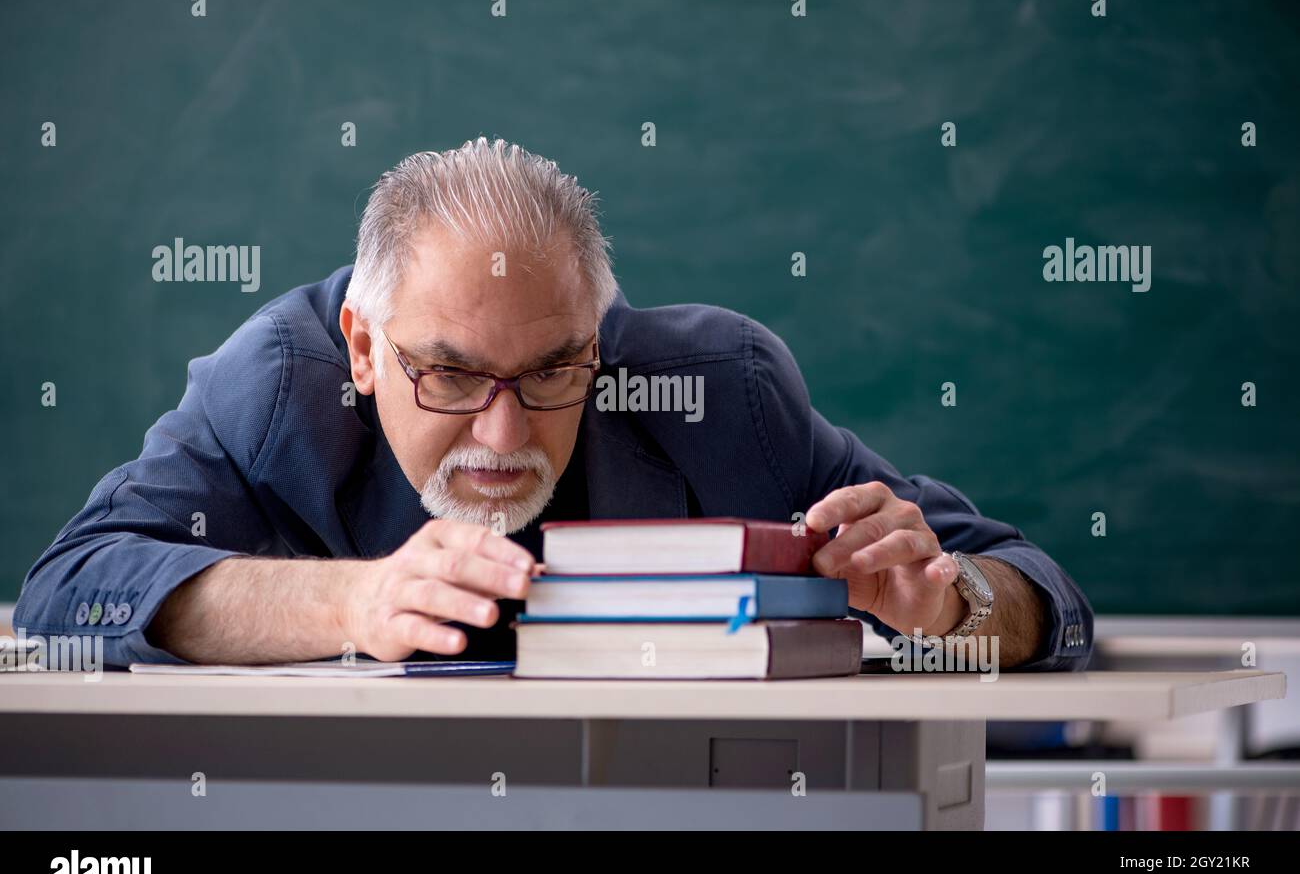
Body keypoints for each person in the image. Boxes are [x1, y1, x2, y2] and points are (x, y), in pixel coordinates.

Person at [16, 138, 1093, 670]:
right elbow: (67, 596)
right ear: (361, 347)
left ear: (599, 337)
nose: (503, 433)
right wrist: (350, 605)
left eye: (550, 373)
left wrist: (951, 606)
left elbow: (1044, 595)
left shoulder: (717, 396)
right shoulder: (273, 393)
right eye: (446, 374)